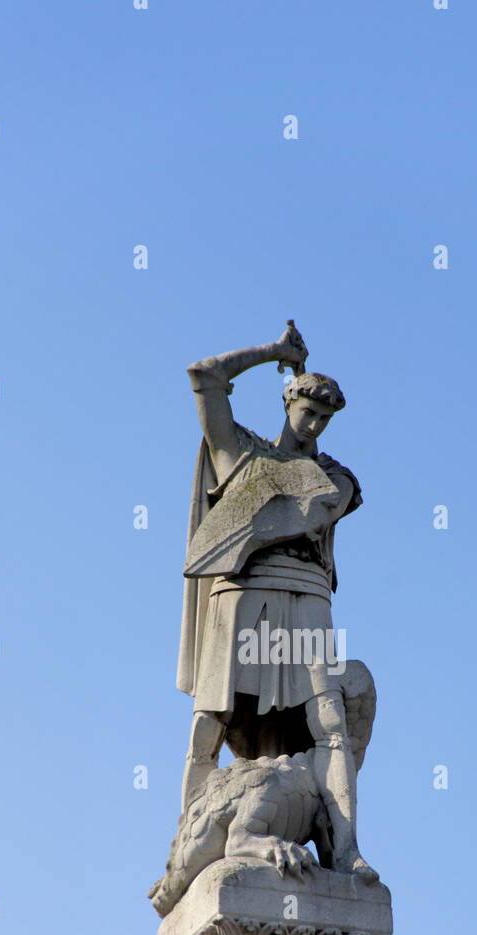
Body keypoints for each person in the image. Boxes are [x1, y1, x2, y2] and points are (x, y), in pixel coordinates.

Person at [176, 321, 376, 882]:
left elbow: (322, 506)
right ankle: (187, 846)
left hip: (306, 591)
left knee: (329, 720)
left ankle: (346, 849)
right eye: (307, 412)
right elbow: (204, 377)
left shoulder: (333, 476)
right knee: (210, 720)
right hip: (243, 592)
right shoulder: (239, 452)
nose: (314, 424)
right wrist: (274, 353)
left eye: (324, 418)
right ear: (288, 405)